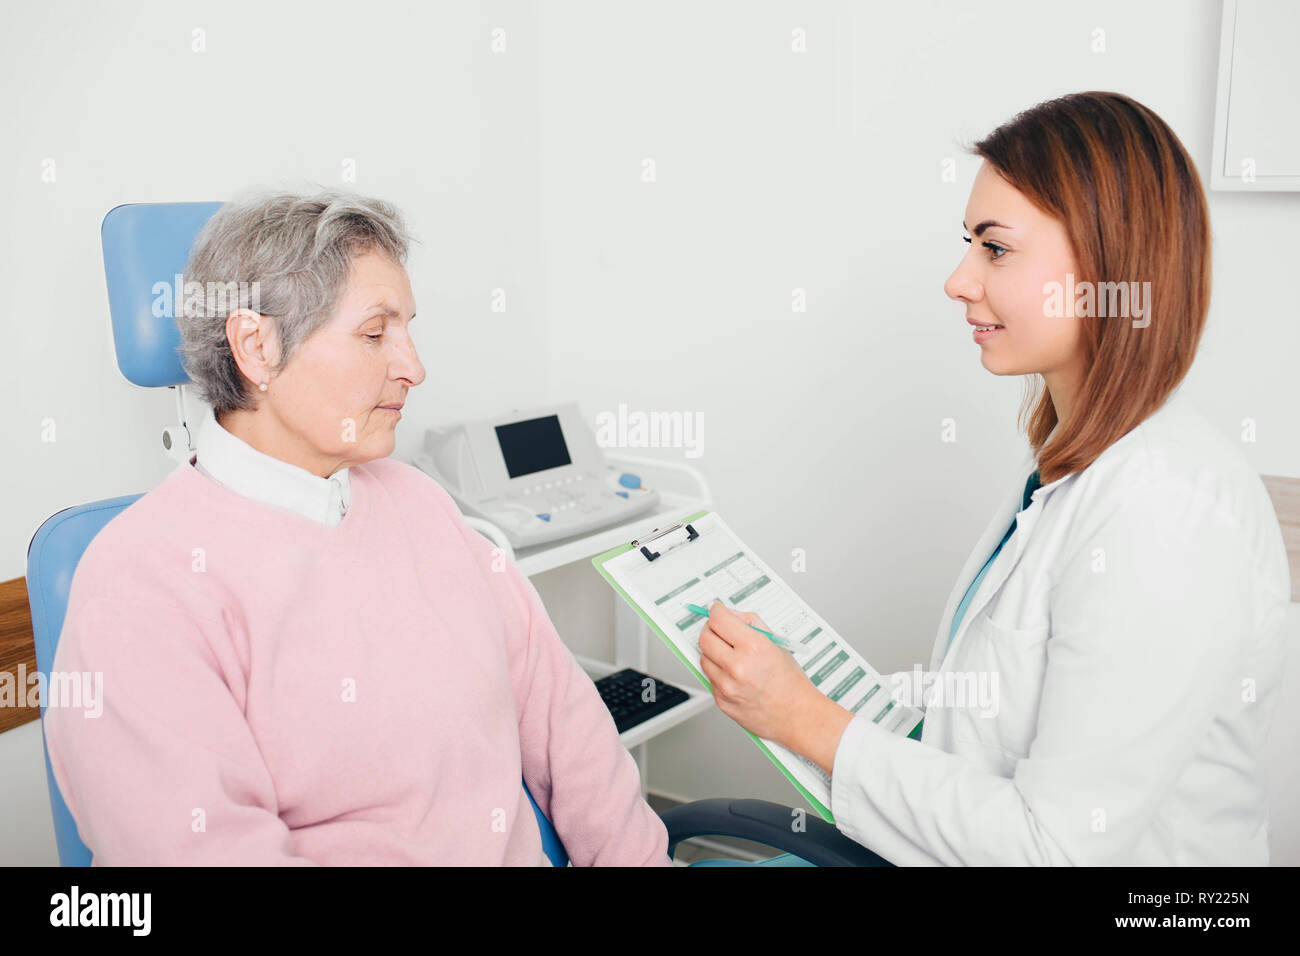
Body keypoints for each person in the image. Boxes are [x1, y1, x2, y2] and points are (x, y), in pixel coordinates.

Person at [697, 91, 1292, 865]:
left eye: (995, 249)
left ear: (1102, 271)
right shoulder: (1075, 465)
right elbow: (999, 731)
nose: (958, 279)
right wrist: (815, 698)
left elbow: (1057, 850)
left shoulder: (1163, 512)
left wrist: (804, 719)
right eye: (968, 244)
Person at [46, 190, 671, 866]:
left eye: (406, 330)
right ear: (256, 347)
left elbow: (565, 723)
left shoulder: (419, 503)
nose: (414, 367)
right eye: (375, 334)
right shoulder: (141, 586)